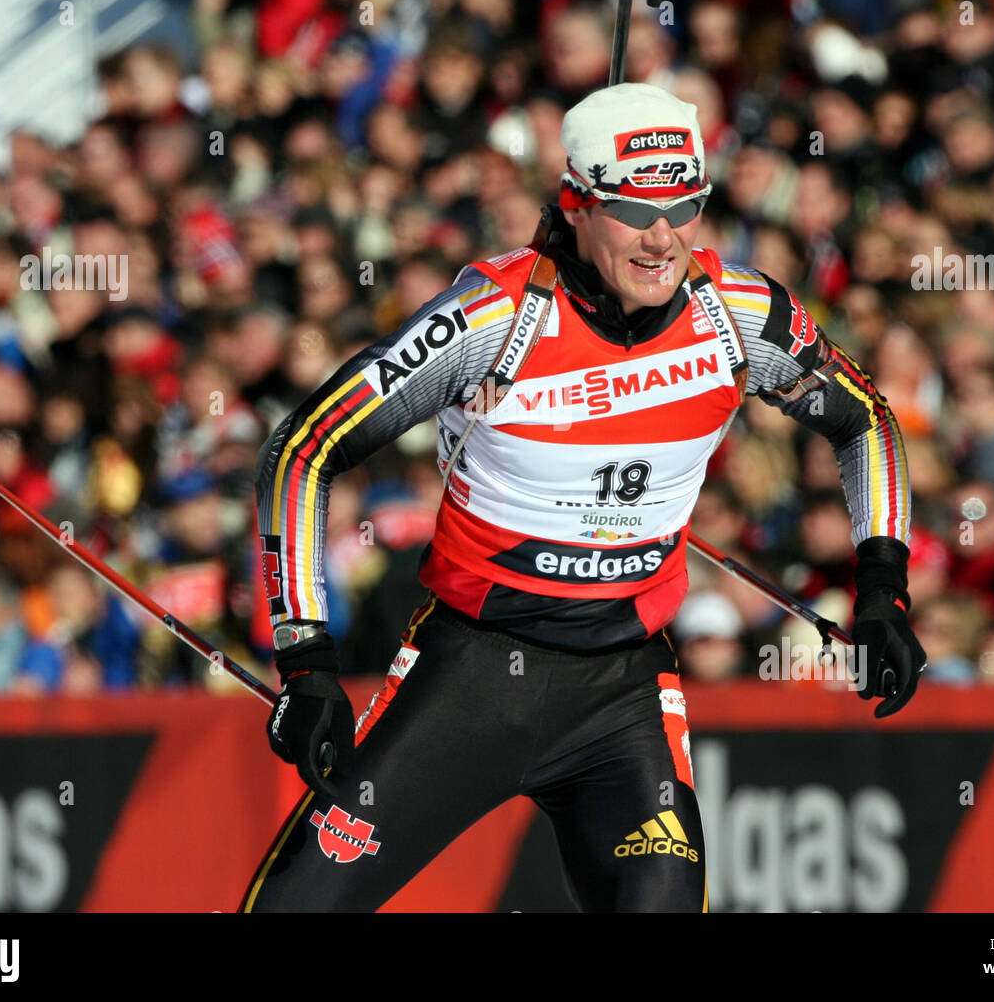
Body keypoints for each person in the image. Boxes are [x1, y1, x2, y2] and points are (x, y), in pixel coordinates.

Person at [242, 83, 923, 913]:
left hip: (620, 692)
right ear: (576, 204)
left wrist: (884, 588)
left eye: (687, 204)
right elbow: (304, 446)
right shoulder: (494, 318)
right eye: (636, 209)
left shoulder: (738, 312)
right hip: (472, 677)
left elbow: (867, 422)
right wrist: (306, 661)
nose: (664, 235)